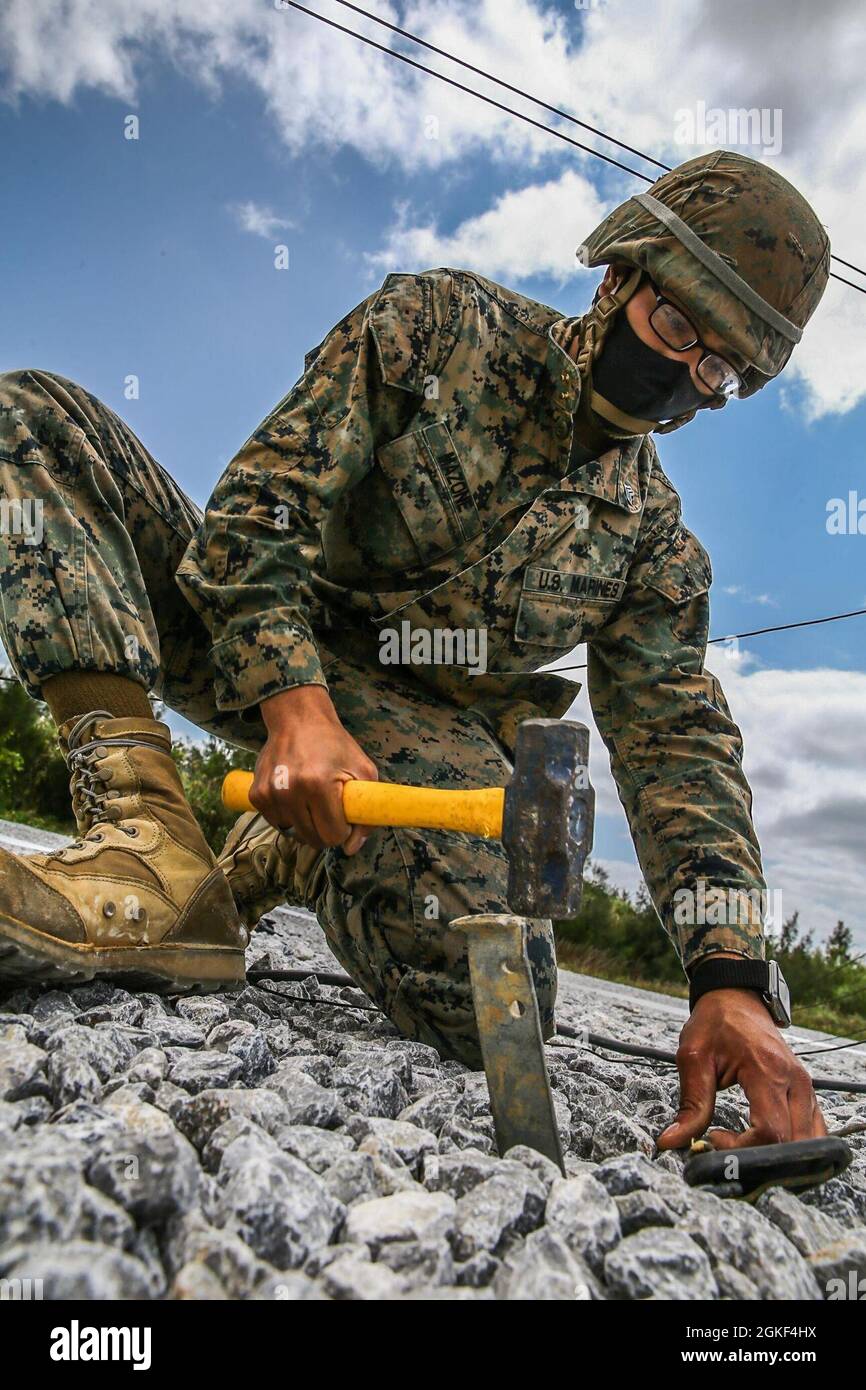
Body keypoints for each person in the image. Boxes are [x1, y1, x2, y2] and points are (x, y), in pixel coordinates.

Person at [0, 150, 831, 1149]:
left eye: (717, 369)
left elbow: (678, 746)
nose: (681, 377)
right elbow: (261, 510)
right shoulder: (437, 331)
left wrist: (730, 979)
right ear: (618, 277)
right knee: (36, 418)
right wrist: (293, 702)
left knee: (490, 1007)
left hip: (414, 755)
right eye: (672, 328)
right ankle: (144, 839)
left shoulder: (648, 539)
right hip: (258, 632)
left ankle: (283, 852)